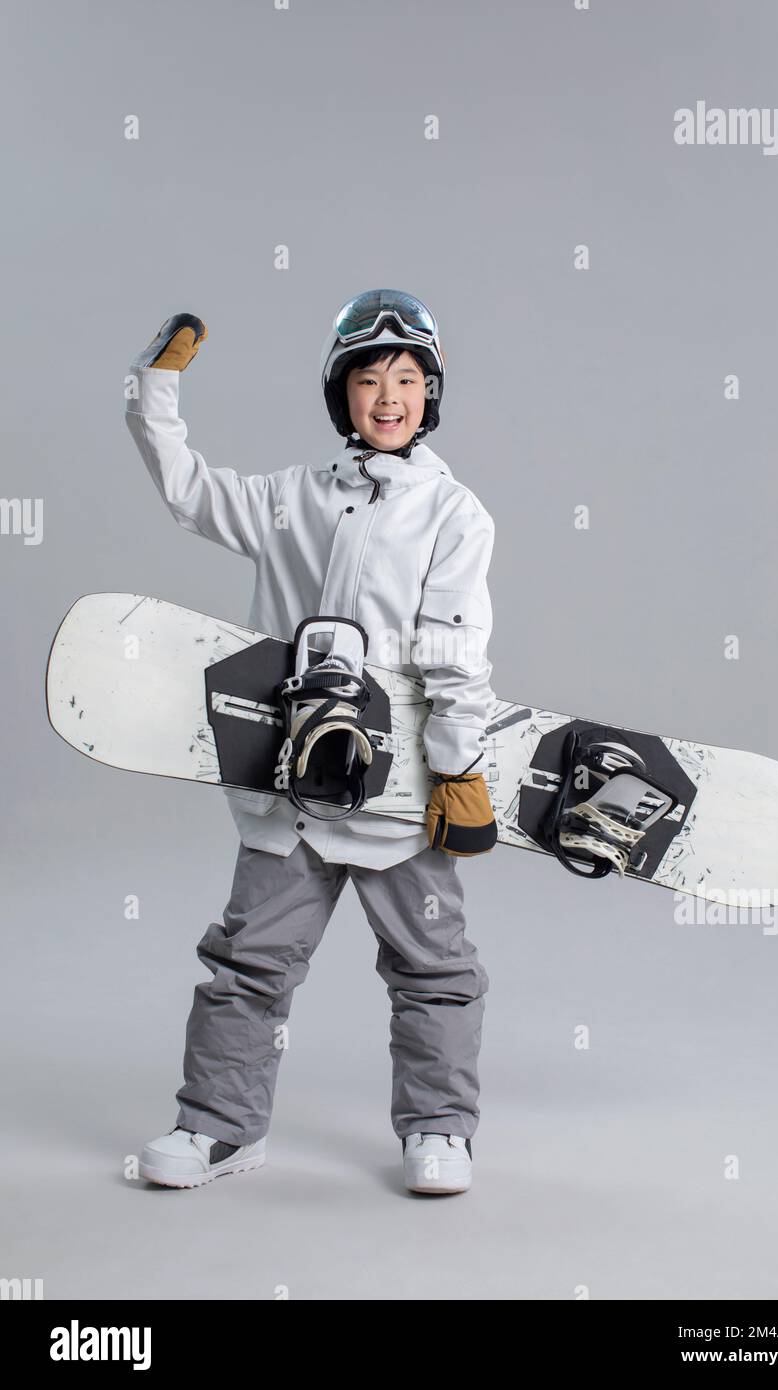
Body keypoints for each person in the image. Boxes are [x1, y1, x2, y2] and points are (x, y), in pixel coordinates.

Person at [126, 291, 497, 1195]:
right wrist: (154, 391)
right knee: (247, 962)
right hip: (288, 784)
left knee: (432, 966)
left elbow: (454, 651)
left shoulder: (453, 514)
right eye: (369, 380)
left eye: (407, 380)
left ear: (429, 394)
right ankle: (219, 1128)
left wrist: (459, 765)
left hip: (399, 786)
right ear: (343, 396)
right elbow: (190, 494)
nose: (388, 397)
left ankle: (441, 1129)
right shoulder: (291, 497)